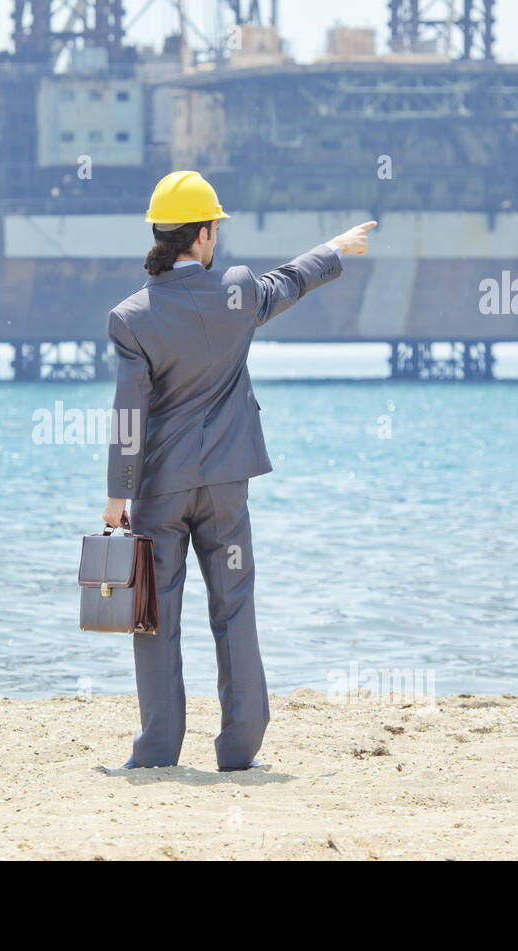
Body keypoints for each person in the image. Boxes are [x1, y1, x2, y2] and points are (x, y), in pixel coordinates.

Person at [103, 170, 376, 770]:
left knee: (155, 619)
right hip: (227, 485)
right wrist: (336, 248)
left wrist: (117, 497)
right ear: (201, 235)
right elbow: (289, 282)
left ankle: (156, 751)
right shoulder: (236, 290)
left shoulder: (131, 316)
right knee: (234, 608)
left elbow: (129, 414)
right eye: (215, 229)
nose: (217, 239)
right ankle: (240, 746)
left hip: (160, 492)